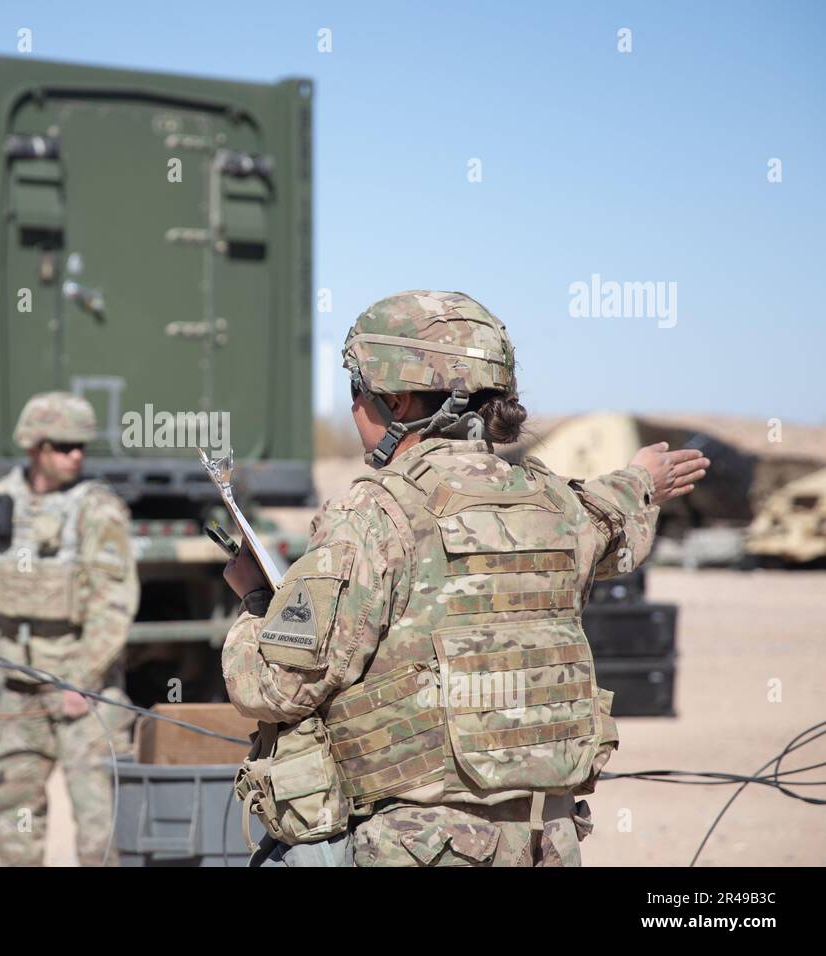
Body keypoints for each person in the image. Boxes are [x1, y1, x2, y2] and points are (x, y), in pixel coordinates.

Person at [221, 290, 709, 867]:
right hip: (547, 840)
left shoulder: (373, 514)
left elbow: (273, 687)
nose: (352, 407)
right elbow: (609, 518)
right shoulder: (554, 504)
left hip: (418, 846)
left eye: (358, 390)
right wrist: (640, 479)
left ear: (398, 401)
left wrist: (255, 599)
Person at [0, 392, 138, 866]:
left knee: (102, 824)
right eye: (62, 446)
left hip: (82, 690)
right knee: (16, 818)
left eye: (80, 447)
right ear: (34, 447)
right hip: (16, 689)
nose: (75, 455)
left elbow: (113, 606)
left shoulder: (98, 511)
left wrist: (82, 679)